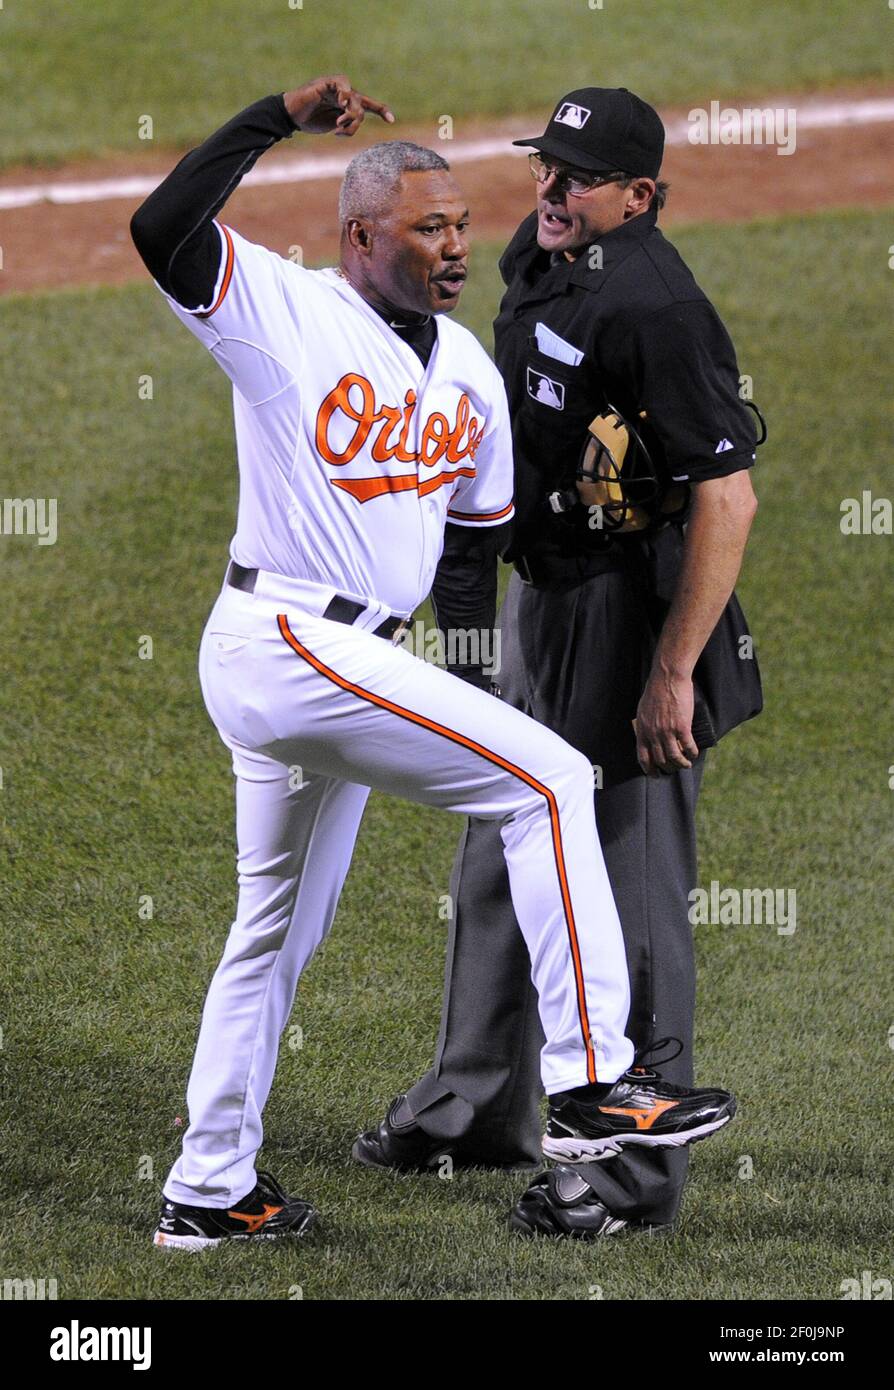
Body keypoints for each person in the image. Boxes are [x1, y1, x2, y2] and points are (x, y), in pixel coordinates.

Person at [129, 76, 736, 1250]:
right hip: (286, 639)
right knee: (552, 779)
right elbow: (162, 230)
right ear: (361, 236)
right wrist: (270, 118)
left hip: (351, 659)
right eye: (428, 229)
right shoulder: (280, 307)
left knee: (275, 932)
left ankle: (207, 1187)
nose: (459, 246)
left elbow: (470, 550)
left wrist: (462, 680)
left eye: (463, 224)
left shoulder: (462, 362)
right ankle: (593, 1081)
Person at [353, 86, 762, 1239]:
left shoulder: (658, 303)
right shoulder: (545, 265)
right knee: (499, 848)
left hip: (632, 621)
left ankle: (634, 1177)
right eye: (545, 167)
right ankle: (477, 1106)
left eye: (578, 177)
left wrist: (672, 672)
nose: (549, 189)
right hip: (546, 601)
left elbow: (726, 495)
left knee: (626, 897)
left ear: (638, 194)